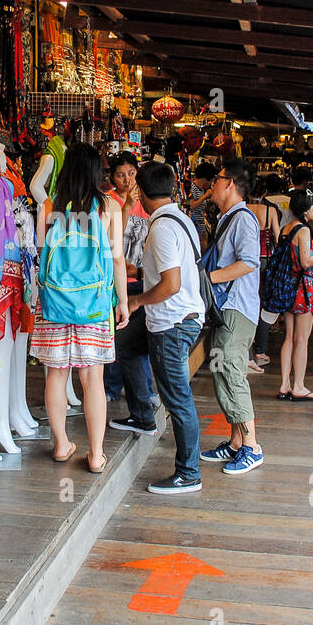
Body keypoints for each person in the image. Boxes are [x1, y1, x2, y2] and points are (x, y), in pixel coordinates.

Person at [31, 143, 129, 473]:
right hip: (95, 304)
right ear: (95, 172)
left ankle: (61, 445)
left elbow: (42, 255)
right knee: (93, 379)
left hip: (55, 303)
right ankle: (97, 454)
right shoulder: (110, 207)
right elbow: (117, 260)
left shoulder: (49, 207)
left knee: (56, 375)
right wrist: (124, 302)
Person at [129, 161, 206, 494]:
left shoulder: (161, 227)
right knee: (126, 346)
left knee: (178, 400)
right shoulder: (182, 218)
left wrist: (137, 301)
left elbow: (171, 283)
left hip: (171, 323)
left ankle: (188, 472)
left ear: (142, 194)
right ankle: (142, 414)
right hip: (179, 317)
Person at [199, 158, 264, 475]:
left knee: (232, 371)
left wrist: (211, 278)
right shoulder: (230, 218)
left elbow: (249, 262)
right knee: (220, 368)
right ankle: (237, 441)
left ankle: (252, 446)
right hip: (228, 310)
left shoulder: (242, 219)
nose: (212, 183)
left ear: (230, 183)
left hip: (237, 308)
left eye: (216, 178)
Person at [103, 152, 158, 427]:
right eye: (121, 175)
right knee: (119, 338)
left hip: (143, 277)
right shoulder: (109, 201)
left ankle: (145, 390)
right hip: (120, 277)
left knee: (138, 339)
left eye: (131, 174)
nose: (127, 179)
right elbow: (115, 242)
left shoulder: (148, 200)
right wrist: (125, 208)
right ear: (112, 177)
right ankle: (111, 389)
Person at [263, 189, 313, 400]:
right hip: (302, 290)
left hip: (287, 288)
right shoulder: (304, 231)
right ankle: (298, 385)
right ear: (306, 209)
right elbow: (306, 262)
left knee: (289, 337)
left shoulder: (287, 228)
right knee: (302, 339)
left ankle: (284, 385)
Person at [246, 180, 284, 373]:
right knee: (262, 305)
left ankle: (246, 350)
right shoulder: (270, 212)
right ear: (265, 192)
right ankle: (260, 351)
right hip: (265, 261)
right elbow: (278, 238)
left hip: (244, 263)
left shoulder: (243, 210)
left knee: (247, 304)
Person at [188, 161, 216, 247]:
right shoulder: (191, 187)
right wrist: (205, 196)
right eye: (211, 180)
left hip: (202, 226)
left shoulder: (202, 190)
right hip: (194, 226)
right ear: (206, 178)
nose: (211, 183)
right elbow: (191, 206)